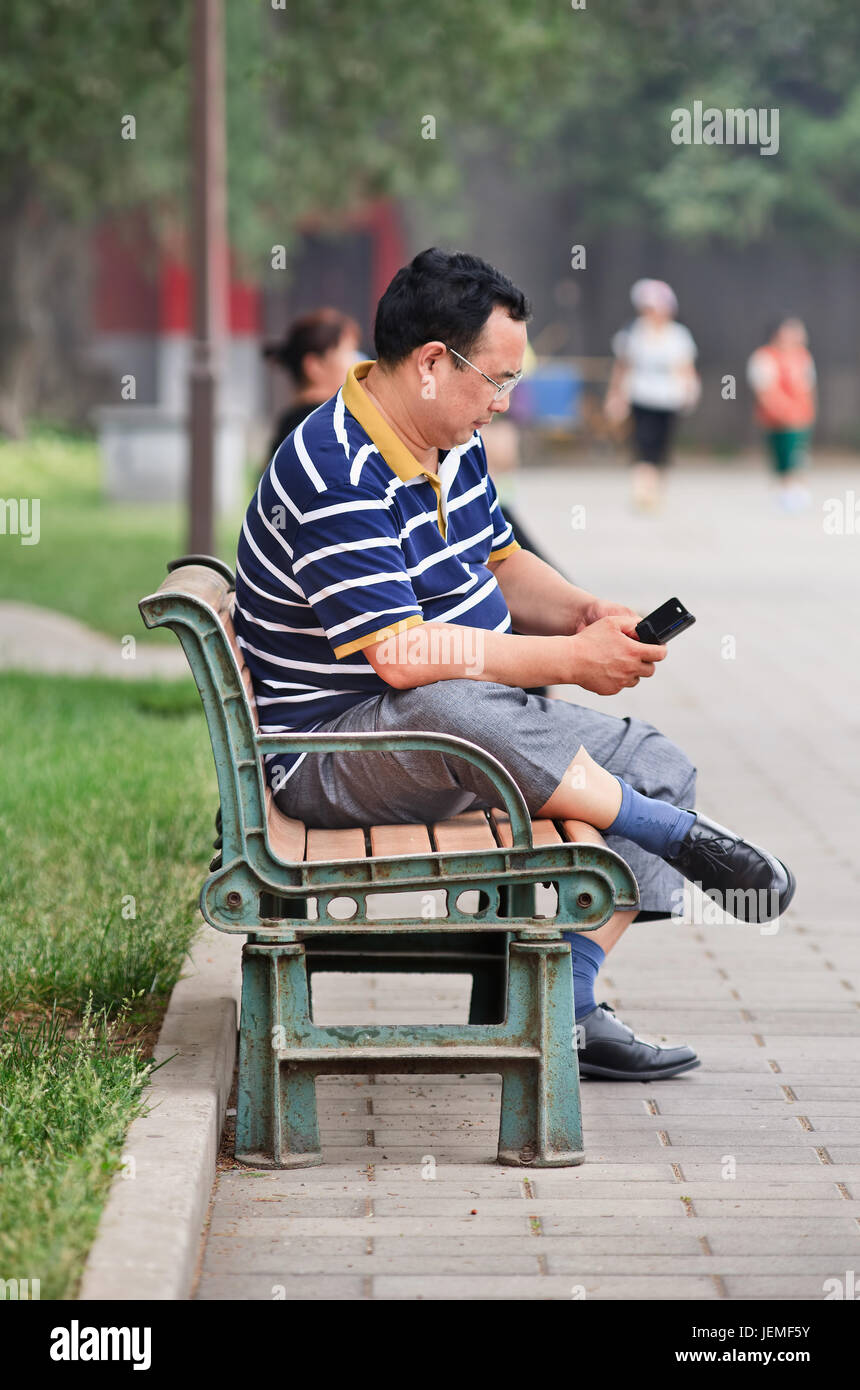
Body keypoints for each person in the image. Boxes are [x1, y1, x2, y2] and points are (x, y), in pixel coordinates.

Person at [234, 248, 795, 1083]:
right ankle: (668, 836)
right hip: (333, 755)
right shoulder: (335, 468)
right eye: (495, 381)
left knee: (656, 762)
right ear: (431, 364)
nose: (503, 403)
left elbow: (498, 562)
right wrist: (569, 660)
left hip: (463, 732)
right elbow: (399, 656)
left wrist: (580, 611)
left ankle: (570, 1006)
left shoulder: (449, 443)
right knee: (453, 698)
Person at [605, 279, 700, 512]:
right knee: (642, 443)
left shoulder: (678, 335)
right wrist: (615, 395)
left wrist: (690, 391)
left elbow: (685, 368)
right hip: (640, 396)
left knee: (661, 446)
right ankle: (642, 492)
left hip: (668, 399)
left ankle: (655, 490)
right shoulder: (633, 333)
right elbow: (622, 366)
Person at [261, 307, 362, 469]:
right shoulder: (324, 428)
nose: (357, 362)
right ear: (314, 366)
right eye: (348, 352)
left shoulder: (292, 424)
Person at [746, 317, 816, 513]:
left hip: (800, 416)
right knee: (781, 455)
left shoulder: (802, 357)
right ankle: (785, 489)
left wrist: (803, 411)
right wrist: (784, 410)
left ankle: (796, 489)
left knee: (798, 454)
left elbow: (808, 388)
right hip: (776, 417)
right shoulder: (764, 357)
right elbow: (764, 390)